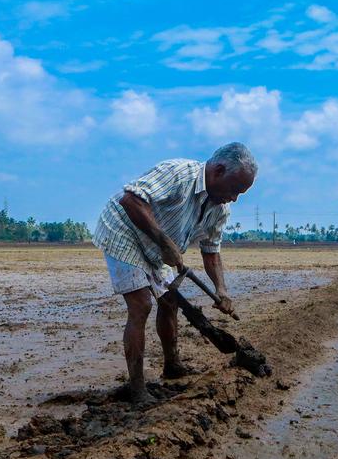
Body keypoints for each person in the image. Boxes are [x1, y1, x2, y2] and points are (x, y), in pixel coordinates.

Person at [93, 143, 257, 404]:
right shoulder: (178, 173)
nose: (234, 198)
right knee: (141, 304)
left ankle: (172, 365)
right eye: (235, 190)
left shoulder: (220, 209)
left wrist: (221, 290)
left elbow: (211, 252)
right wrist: (165, 243)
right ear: (218, 171)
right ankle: (137, 389)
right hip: (124, 230)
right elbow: (130, 200)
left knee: (170, 301)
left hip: (158, 246)